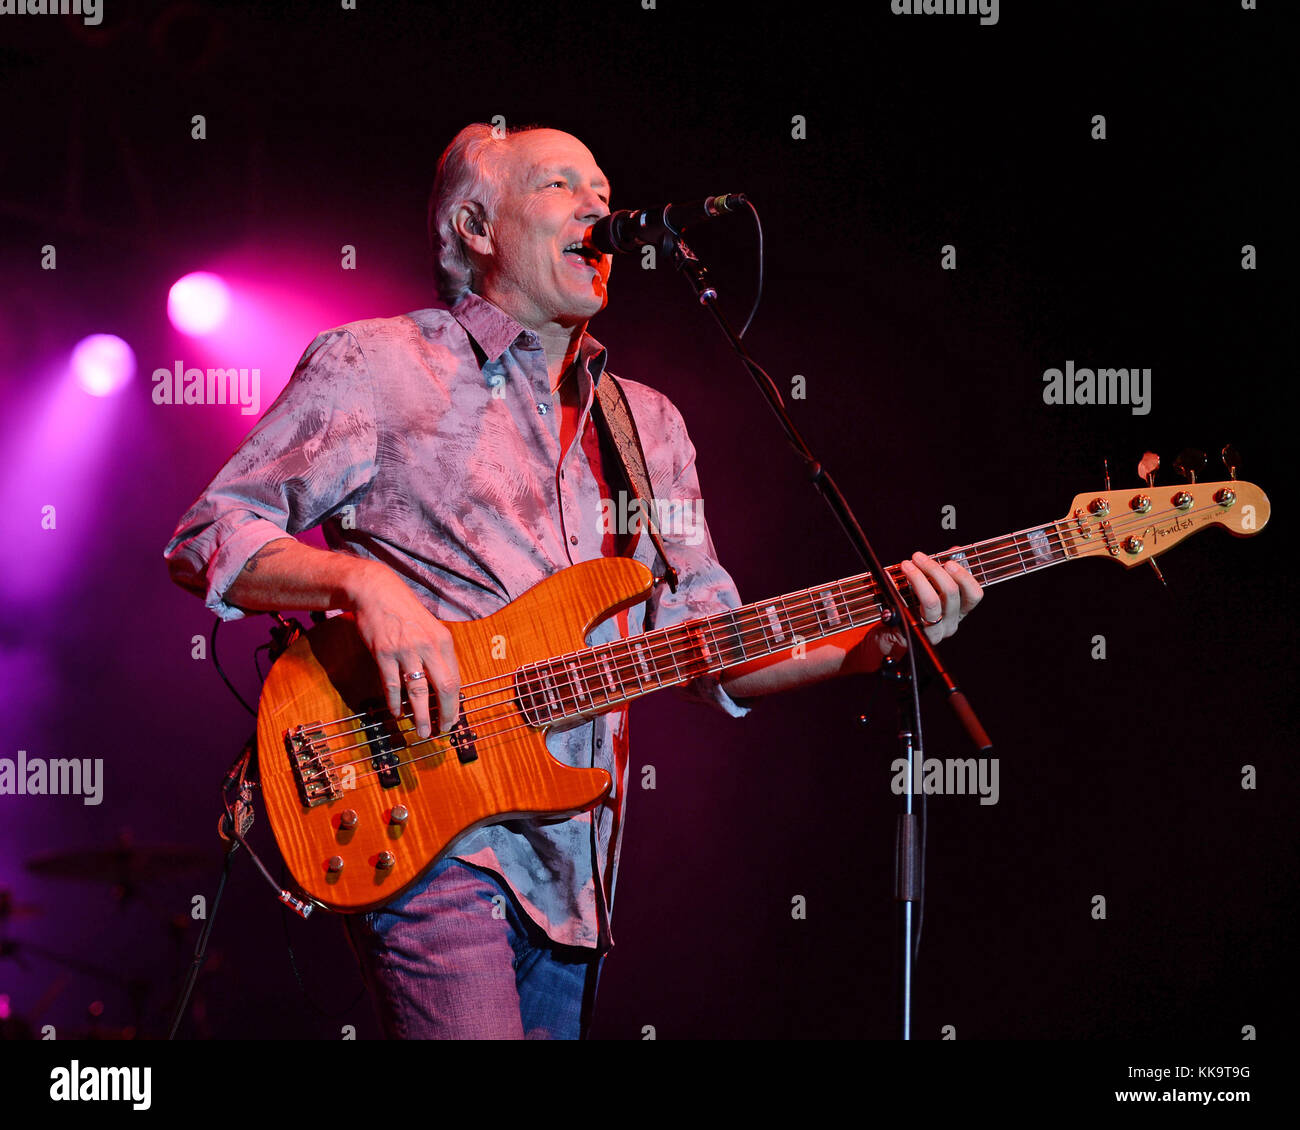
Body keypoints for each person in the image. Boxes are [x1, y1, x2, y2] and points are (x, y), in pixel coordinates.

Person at [163, 122, 982, 1039]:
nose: (600, 207)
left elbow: (714, 648)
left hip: (579, 873)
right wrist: (362, 586)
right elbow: (210, 532)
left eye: (603, 186)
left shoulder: (650, 427)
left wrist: (875, 643)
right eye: (561, 186)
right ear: (476, 226)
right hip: (426, 824)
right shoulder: (379, 366)